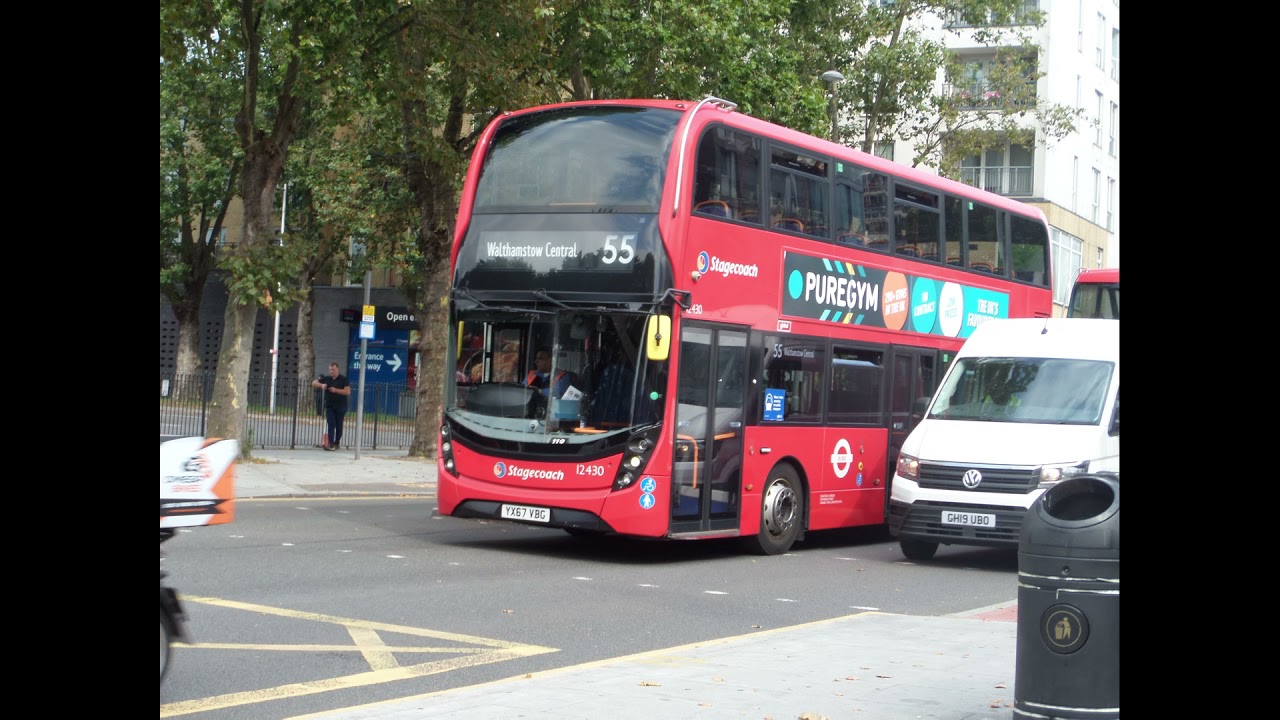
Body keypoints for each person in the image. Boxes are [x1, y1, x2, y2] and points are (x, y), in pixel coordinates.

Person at [311, 362, 352, 451]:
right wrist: (322, 385)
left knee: (338, 425)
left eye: (333, 369)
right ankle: (331, 443)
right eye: (330, 370)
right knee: (330, 423)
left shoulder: (343, 379)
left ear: (337, 369)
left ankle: (337, 442)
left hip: (341, 406)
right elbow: (314, 383)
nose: (332, 371)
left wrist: (335, 390)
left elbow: (347, 392)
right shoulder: (327, 379)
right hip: (330, 406)